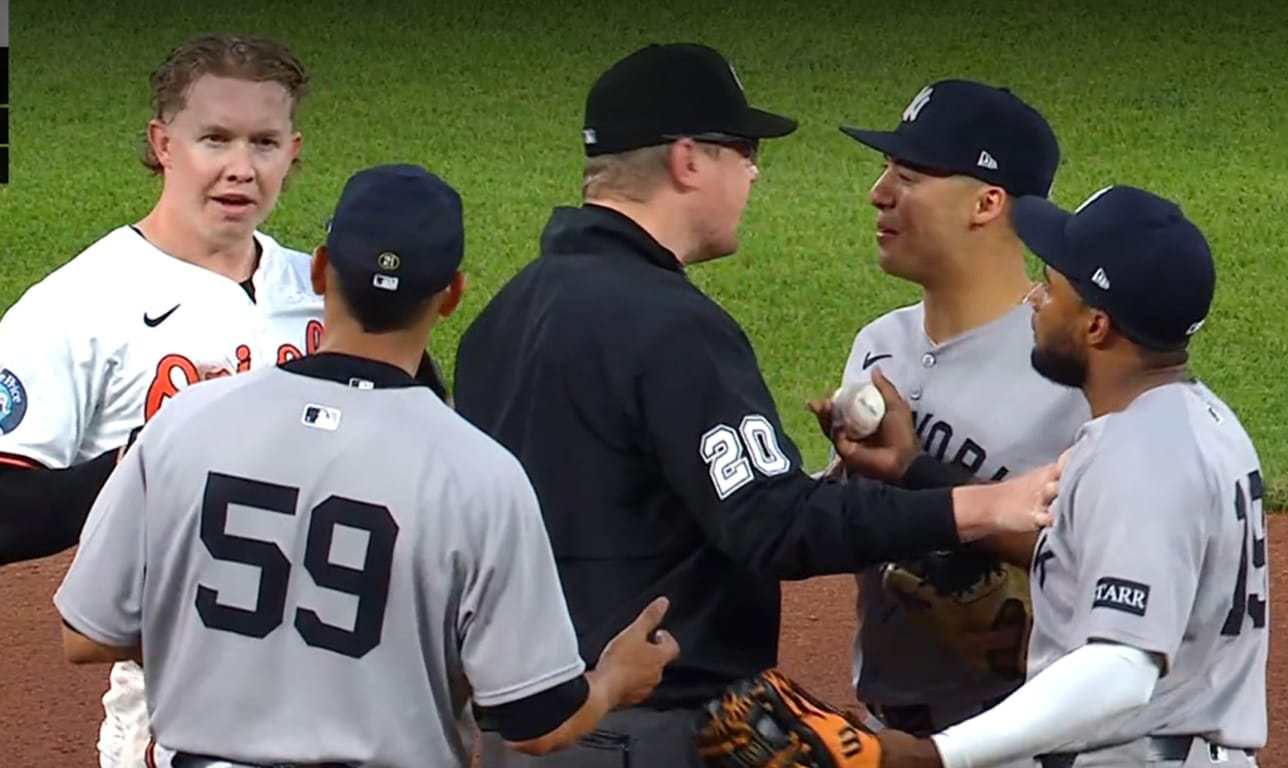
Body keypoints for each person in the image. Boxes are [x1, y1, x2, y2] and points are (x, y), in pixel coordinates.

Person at [451, 43, 1064, 768]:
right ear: (687, 161)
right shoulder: (671, 326)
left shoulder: (505, 314)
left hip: (529, 726)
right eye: (742, 151)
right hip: (641, 732)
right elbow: (773, 525)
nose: (753, 172)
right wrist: (980, 507)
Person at [52, 163, 682, 768]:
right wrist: (611, 682)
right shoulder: (478, 473)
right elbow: (541, 724)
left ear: (322, 272)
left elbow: (86, 635)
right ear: (452, 295)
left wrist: (233, 638)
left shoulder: (184, 423)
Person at [801, 184, 1265, 768]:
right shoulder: (1200, 421)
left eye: (1052, 290)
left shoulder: (1141, 454)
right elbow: (1085, 549)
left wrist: (936, 754)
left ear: (1096, 327)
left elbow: (1120, 667)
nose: (1033, 302)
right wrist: (910, 469)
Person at [0, 33, 348, 768]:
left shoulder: (322, 295)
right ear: (163, 143)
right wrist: (136, 468)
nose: (239, 168)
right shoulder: (78, 306)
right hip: (179, 719)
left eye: (263, 142)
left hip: (344, 690)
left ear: (294, 151)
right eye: (213, 139)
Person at [826, 78, 1092, 738]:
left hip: (1025, 740)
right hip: (895, 732)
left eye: (909, 176)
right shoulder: (878, 345)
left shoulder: (1069, 373)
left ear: (986, 202)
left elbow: (1110, 571)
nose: (879, 193)